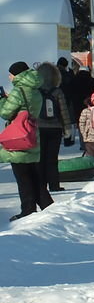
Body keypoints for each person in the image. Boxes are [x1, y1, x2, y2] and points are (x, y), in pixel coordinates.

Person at [1, 62, 51, 221]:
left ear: (17, 74)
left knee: (23, 177)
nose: (9, 77)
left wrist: (2, 99)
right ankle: (48, 206)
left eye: (11, 74)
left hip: (18, 138)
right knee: (35, 175)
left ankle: (28, 209)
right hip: (31, 134)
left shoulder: (18, 91)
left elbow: (5, 113)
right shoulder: (35, 89)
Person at [36, 62, 74, 194]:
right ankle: (54, 184)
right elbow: (64, 111)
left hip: (39, 128)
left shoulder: (35, 92)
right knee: (52, 158)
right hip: (55, 128)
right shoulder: (57, 91)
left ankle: (40, 185)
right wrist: (67, 128)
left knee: (40, 158)